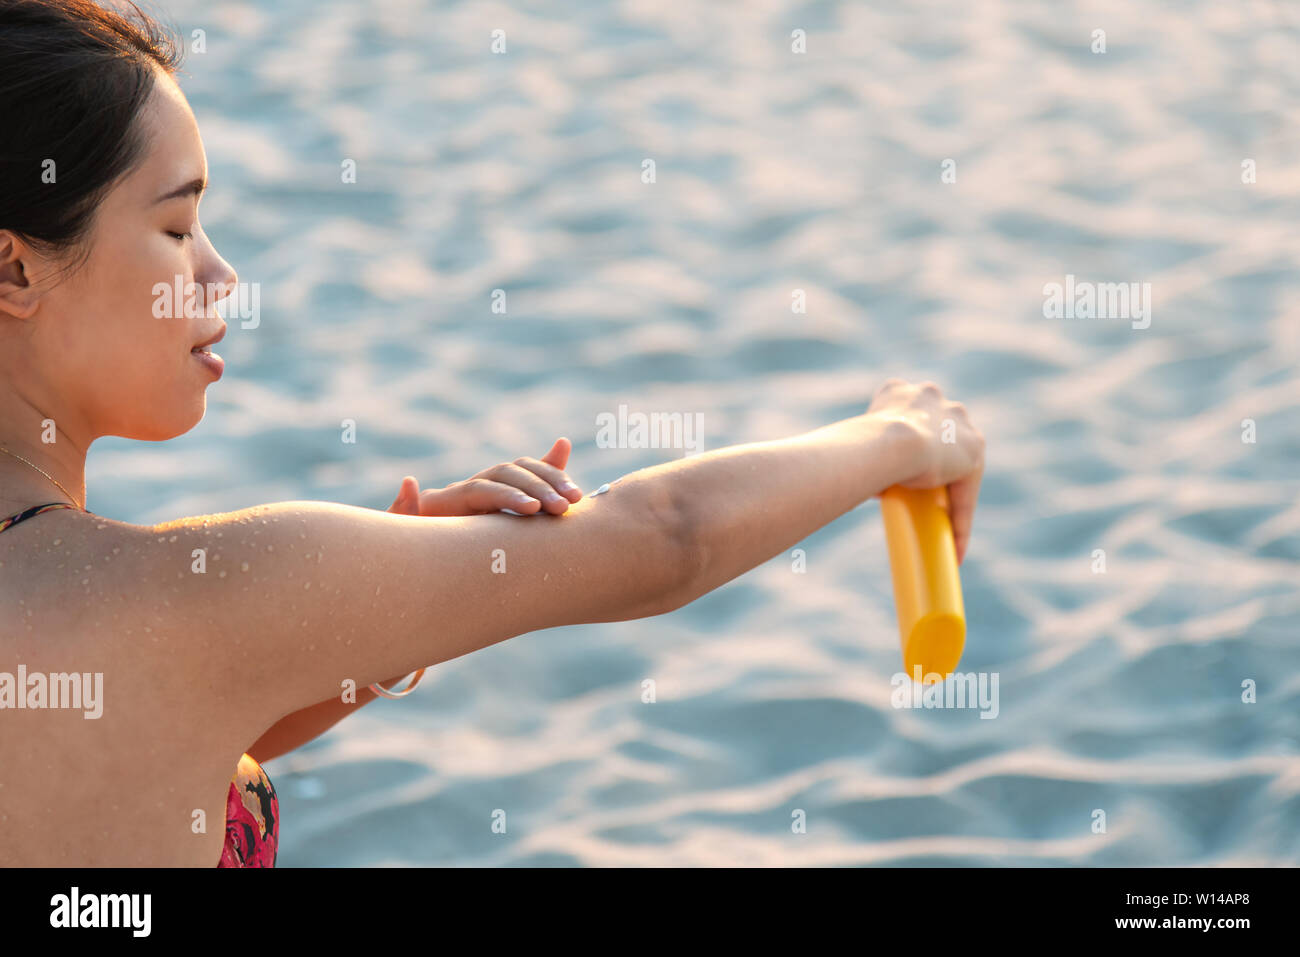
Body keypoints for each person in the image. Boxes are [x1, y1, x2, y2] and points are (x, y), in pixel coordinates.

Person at [0, 0, 984, 867]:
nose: (221, 278)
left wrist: (372, 619)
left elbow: (131, 737)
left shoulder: (160, 623)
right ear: (14, 270)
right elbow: (665, 540)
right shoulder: (189, 597)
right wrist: (900, 438)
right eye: (176, 230)